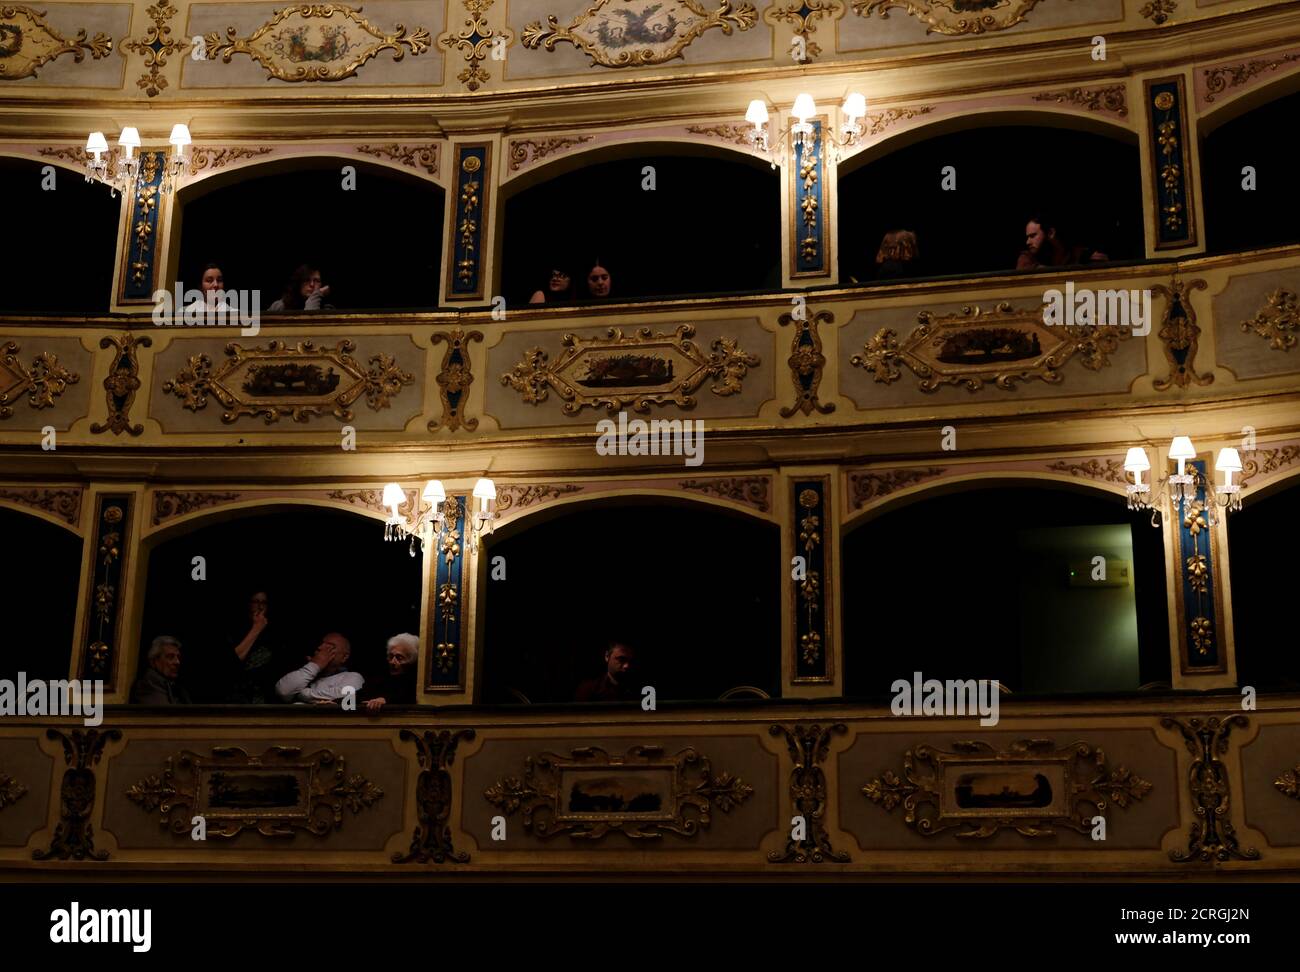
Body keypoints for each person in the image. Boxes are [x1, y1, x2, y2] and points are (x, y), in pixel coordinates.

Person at [224, 590, 280, 704]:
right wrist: (257, 628)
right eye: (256, 602)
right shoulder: (233, 631)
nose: (260, 607)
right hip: (235, 698)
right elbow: (231, 663)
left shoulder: (274, 635)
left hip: (264, 699)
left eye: (263, 603)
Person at [275, 632, 363, 704]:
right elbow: (283, 691)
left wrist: (303, 694)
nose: (320, 648)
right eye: (321, 644)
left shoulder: (352, 676)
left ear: (344, 657)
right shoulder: (306, 676)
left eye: (330, 646)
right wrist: (315, 664)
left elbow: (346, 694)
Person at [1016, 214, 1108, 270]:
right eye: (1027, 237)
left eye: (1032, 236)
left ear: (1050, 233)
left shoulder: (1079, 254)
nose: (1028, 242)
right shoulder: (1027, 258)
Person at [361, 633, 419, 711]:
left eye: (399, 658)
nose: (392, 662)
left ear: (412, 660)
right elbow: (361, 694)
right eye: (391, 656)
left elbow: (408, 697)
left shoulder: (416, 682)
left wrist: (385, 700)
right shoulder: (381, 679)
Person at [131, 636, 192, 705]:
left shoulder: (176, 687)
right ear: (154, 661)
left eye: (178, 657)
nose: (177, 662)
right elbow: (166, 714)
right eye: (170, 657)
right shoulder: (147, 685)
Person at [574, 640, 639, 702]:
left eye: (631, 661)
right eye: (621, 659)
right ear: (607, 656)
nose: (627, 666)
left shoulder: (638, 690)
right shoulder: (588, 689)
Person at [268, 264, 333, 311]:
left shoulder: (327, 309)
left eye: (317, 281)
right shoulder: (280, 306)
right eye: (307, 280)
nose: (312, 284)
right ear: (299, 283)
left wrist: (317, 294)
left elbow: (309, 326)